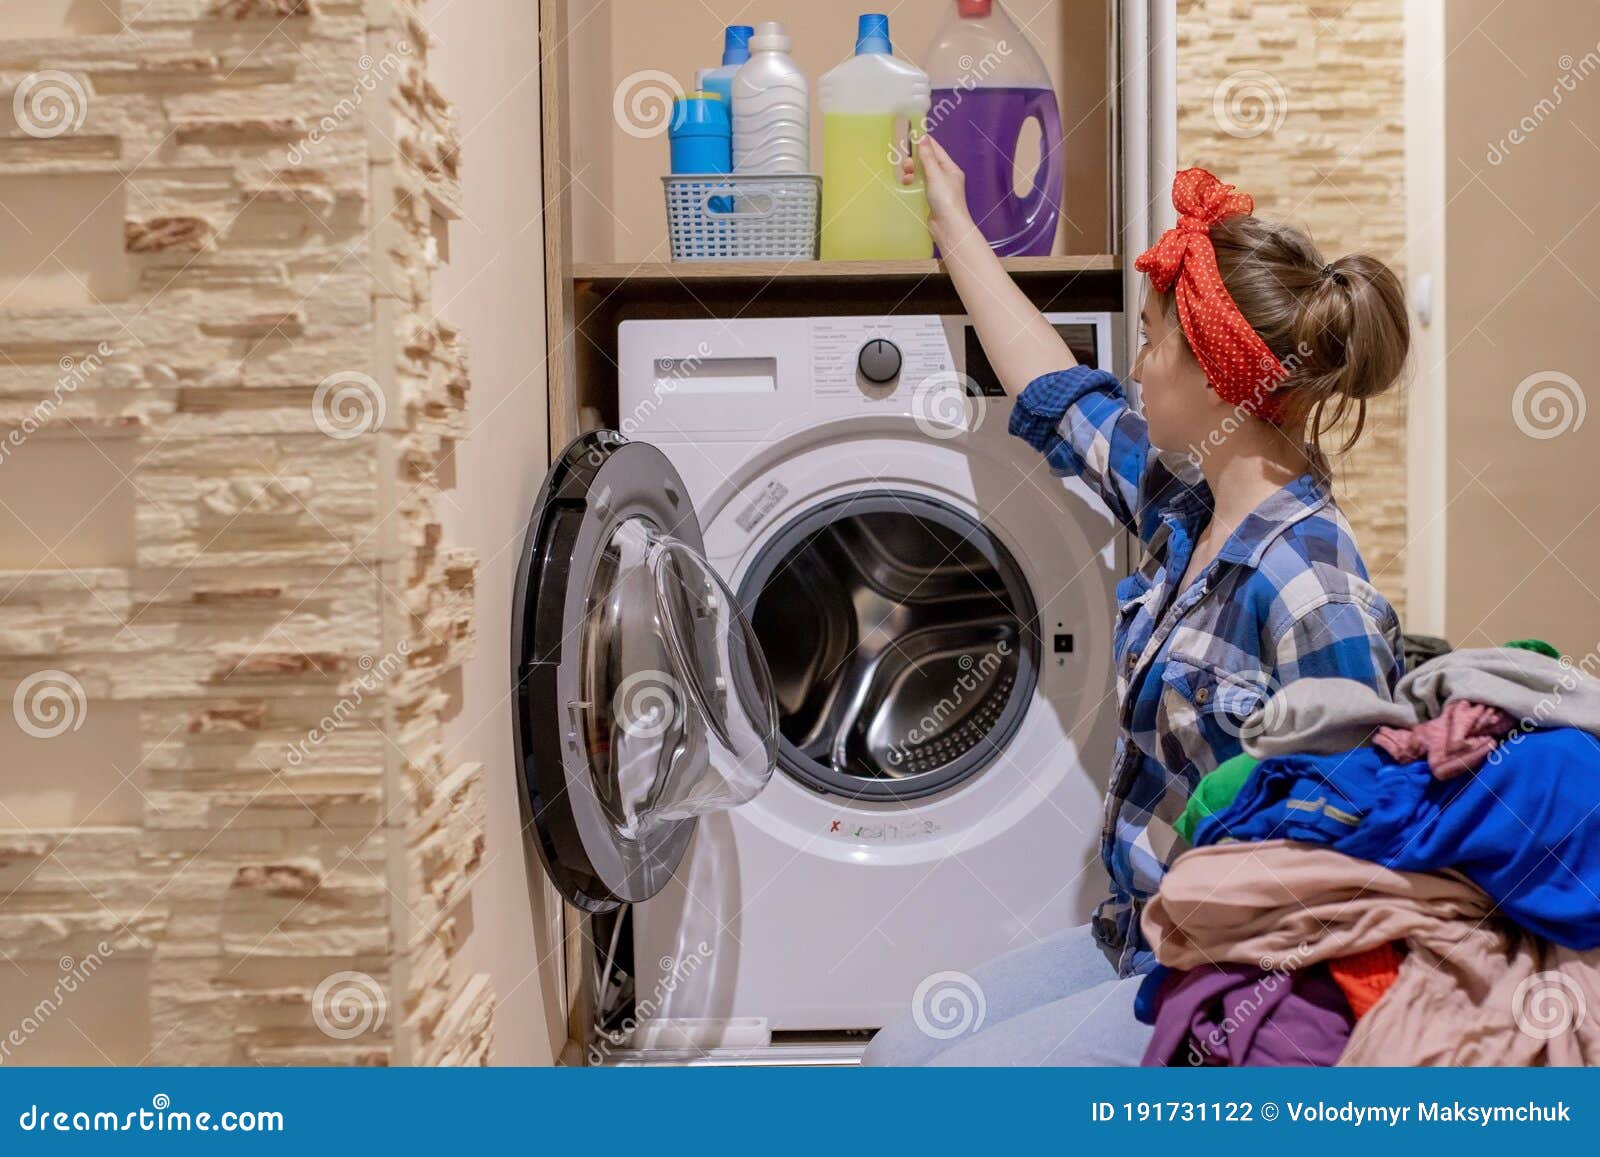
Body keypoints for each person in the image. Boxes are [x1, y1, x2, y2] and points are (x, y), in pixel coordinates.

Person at [862, 137, 1411, 1066]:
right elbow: (1056, 392)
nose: (1139, 363)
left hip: (1231, 989)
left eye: (1154, 340)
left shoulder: (1313, 590)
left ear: (1215, 378)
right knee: (894, 1055)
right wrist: (951, 221)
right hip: (1137, 940)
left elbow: (1361, 862)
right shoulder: (1187, 503)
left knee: (947, 1090)